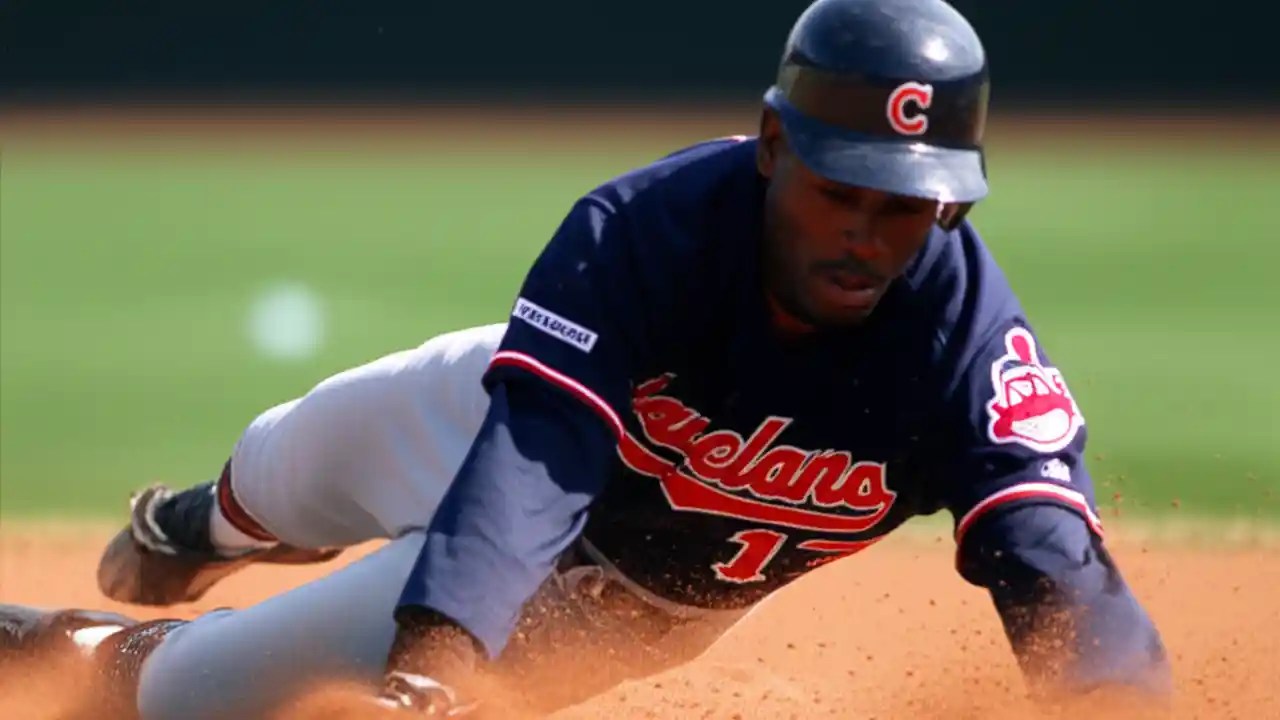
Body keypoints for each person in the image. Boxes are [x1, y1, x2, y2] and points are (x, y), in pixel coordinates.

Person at [1, 0, 1172, 717]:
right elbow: (533, 462)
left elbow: (1050, 561)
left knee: (187, 700)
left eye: (909, 206)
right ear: (771, 144)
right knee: (288, 457)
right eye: (838, 191)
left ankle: (81, 646)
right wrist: (438, 664)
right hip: (496, 431)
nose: (869, 231)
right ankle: (202, 527)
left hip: (622, 602)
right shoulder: (646, 228)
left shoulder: (965, 348)